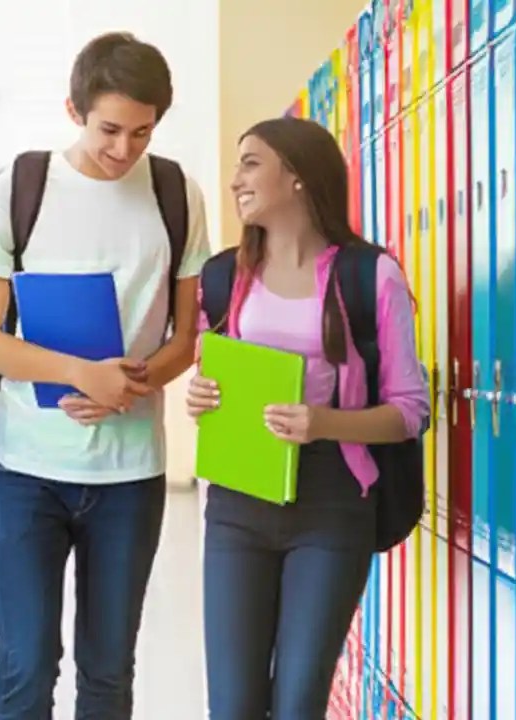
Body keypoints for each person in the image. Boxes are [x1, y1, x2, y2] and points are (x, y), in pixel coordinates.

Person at [0, 32, 211, 718]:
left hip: (130, 475)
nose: (125, 148)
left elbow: (186, 336)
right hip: (26, 470)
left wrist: (128, 385)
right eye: (109, 128)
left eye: (142, 131)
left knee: (107, 671)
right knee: (24, 663)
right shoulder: (21, 186)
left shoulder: (175, 192)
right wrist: (82, 374)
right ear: (73, 110)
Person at [187, 117, 429, 719]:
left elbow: (410, 410)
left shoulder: (371, 275)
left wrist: (325, 423)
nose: (236, 179)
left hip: (332, 501)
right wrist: (200, 396)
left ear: (295, 176)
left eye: (250, 163)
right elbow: (208, 372)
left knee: (298, 703)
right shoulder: (223, 278)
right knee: (234, 706)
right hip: (239, 500)